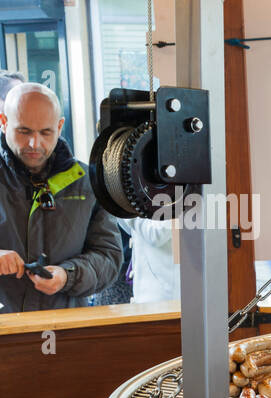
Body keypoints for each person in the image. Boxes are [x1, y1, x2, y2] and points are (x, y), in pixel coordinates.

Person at [0, 83, 122, 313]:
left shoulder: (88, 182)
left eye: (45, 132)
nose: (34, 144)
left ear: (60, 126)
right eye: (24, 131)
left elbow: (109, 257)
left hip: (65, 333)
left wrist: (68, 275)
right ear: (4, 122)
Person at [127, 216, 178, 302]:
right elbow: (131, 230)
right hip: (149, 297)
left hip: (167, 298)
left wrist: (127, 209)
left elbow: (156, 233)